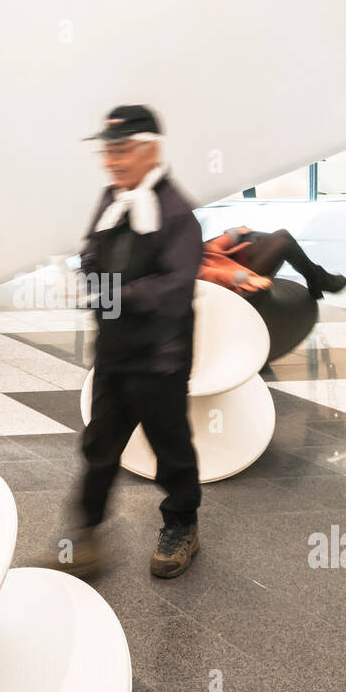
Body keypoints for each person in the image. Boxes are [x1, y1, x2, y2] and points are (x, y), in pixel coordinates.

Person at [62, 104, 203, 579]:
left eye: (120, 150)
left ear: (150, 150)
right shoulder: (112, 199)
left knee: (171, 449)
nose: (111, 160)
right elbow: (89, 248)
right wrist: (89, 272)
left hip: (160, 357)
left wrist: (116, 294)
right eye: (107, 150)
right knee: (99, 445)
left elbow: (176, 286)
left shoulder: (178, 212)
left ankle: (182, 524)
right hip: (115, 351)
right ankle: (84, 535)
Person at [199, 226, 346, 301]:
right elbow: (208, 275)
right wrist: (247, 279)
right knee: (282, 243)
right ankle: (318, 279)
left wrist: (234, 233)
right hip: (231, 281)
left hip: (231, 263)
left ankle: (317, 279)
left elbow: (207, 248)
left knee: (282, 234)